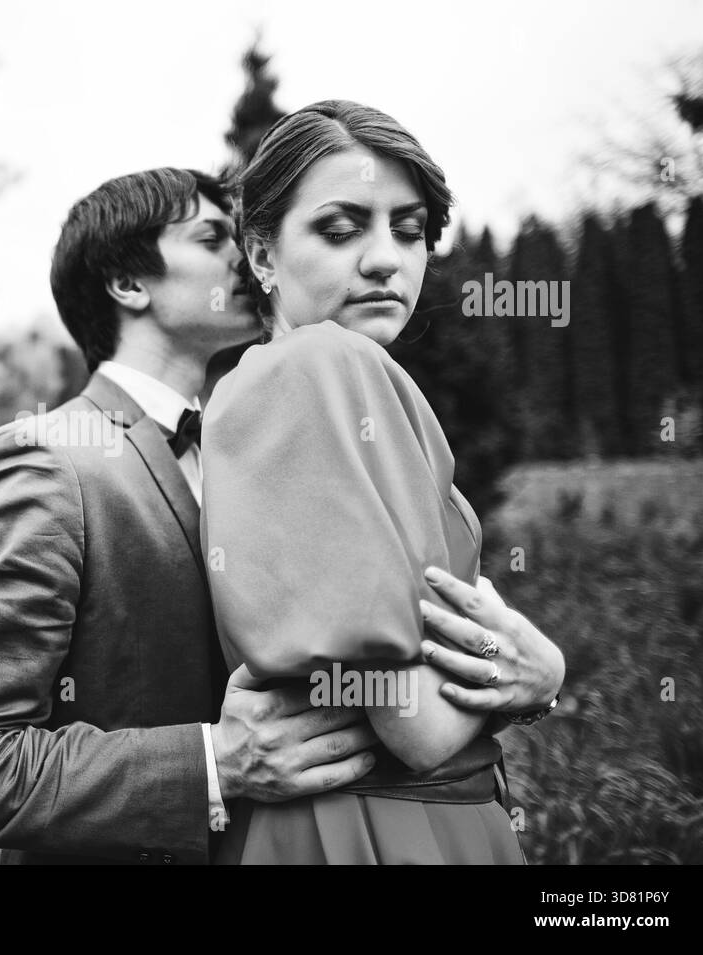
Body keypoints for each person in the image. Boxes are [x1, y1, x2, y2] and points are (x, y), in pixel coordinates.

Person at [0, 165, 565, 864]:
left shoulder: (278, 439)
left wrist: (536, 684)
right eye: (213, 234)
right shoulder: (46, 460)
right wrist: (214, 762)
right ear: (129, 283)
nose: (245, 252)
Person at [201, 99, 555, 864]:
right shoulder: (324, 365)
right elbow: (414, 724)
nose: (386, 258)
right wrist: (535, 673)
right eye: (340, 228)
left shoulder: (258, 386)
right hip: (383, 830)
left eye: (410, 228)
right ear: (261, 254)